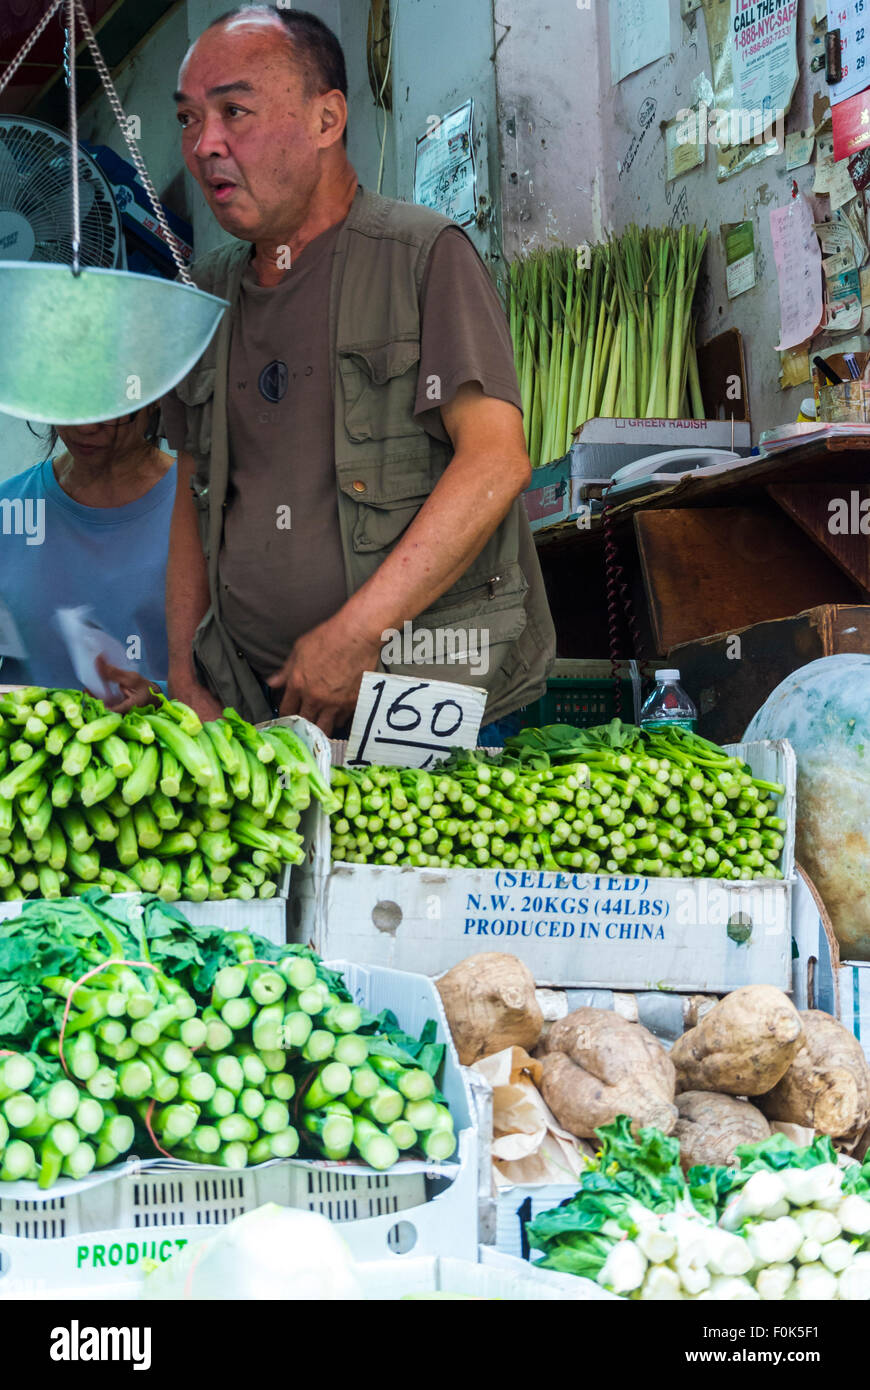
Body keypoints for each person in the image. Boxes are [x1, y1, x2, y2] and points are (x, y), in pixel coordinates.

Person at [162, 5, 555, 736]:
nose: (205, 144)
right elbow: (191, 492)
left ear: (326, 119)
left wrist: (358, 634)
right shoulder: (207, 296)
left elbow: (496, 461)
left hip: (423, 702)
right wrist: (184, 673)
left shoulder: (421, 256)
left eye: (234, 112)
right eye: (188, 120)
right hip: (253, 713)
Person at [0, 407, 175, 710]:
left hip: (165, 750)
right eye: (70, 403)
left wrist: (160, 697)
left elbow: (241, 677)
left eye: (110, 408)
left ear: (156, 397)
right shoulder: (11, 509)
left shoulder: (201, 509)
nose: (86, 427)